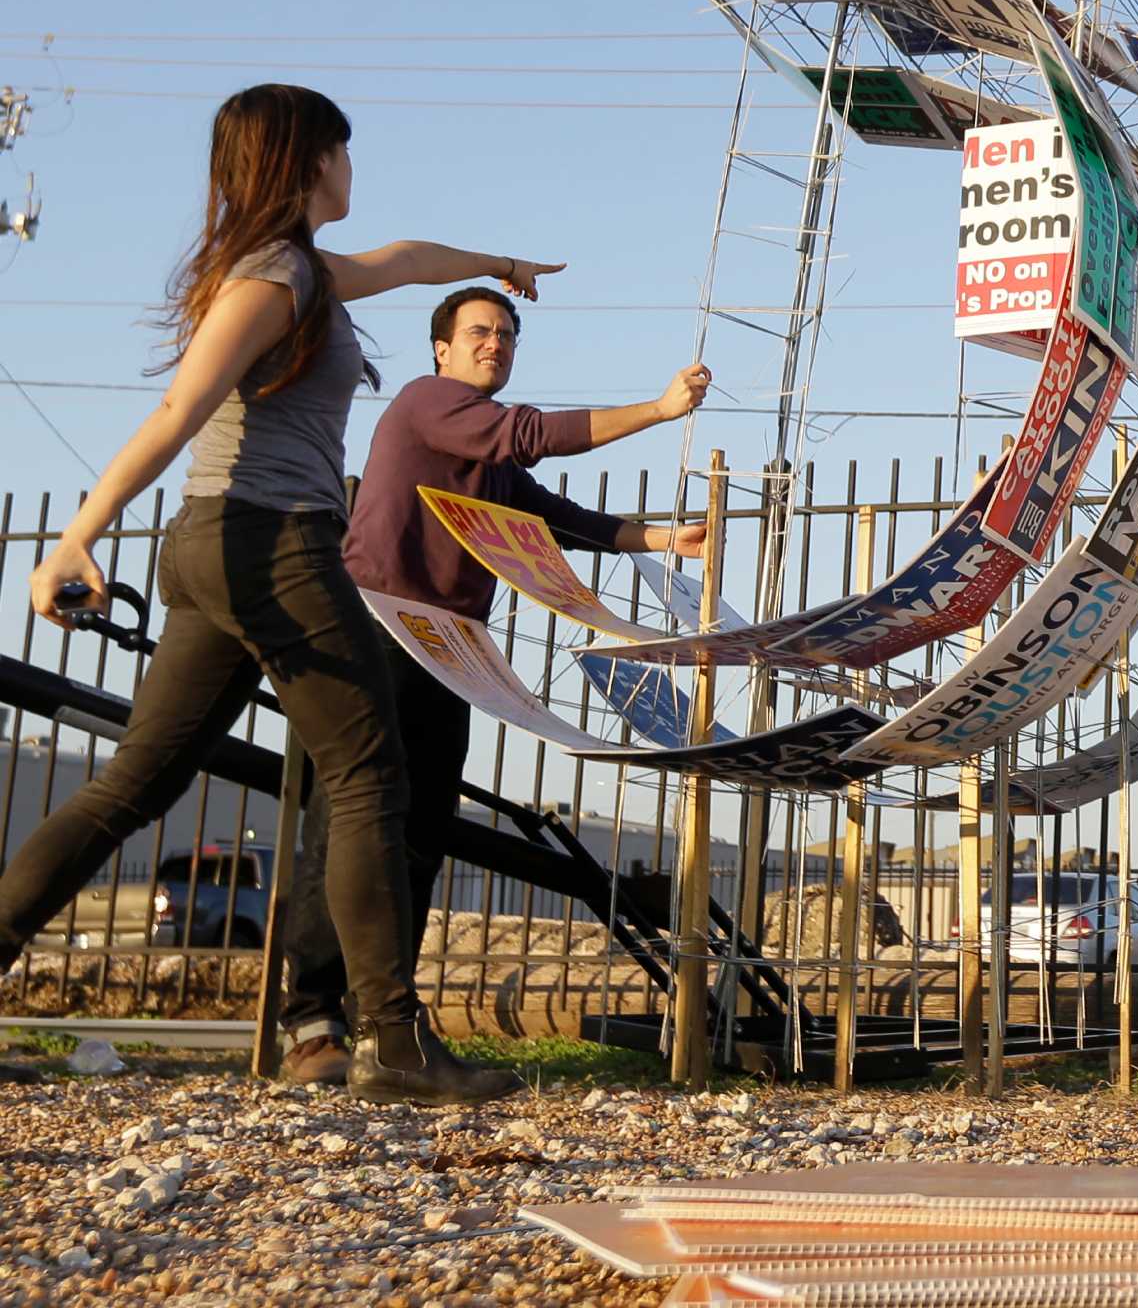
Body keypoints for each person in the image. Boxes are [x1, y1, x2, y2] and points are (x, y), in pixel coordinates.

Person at [0, 83, 566, 1107]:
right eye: (342, 151)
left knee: (137, 782)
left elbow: (401, 260)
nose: (354, 167)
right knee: (369, 772)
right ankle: (391, 1040)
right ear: (309, 161)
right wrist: (75, 536)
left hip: (222, 550)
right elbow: (182, 404)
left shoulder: (306, 269)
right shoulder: (271, 276)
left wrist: (494, 262)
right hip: (272, 540)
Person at [277, 285, 710, 1084]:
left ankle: (386, 1033)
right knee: (347, 821)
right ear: (441, 349)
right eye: (480, 331)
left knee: (418, 833)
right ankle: (311, 1022)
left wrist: (659, 538)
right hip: (376, 629)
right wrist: (656, 410)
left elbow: (552, 517)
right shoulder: (427, 402)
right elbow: (532, 435)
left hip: (447, 649)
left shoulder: (487, 456)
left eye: (507, 335)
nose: (495, 344)